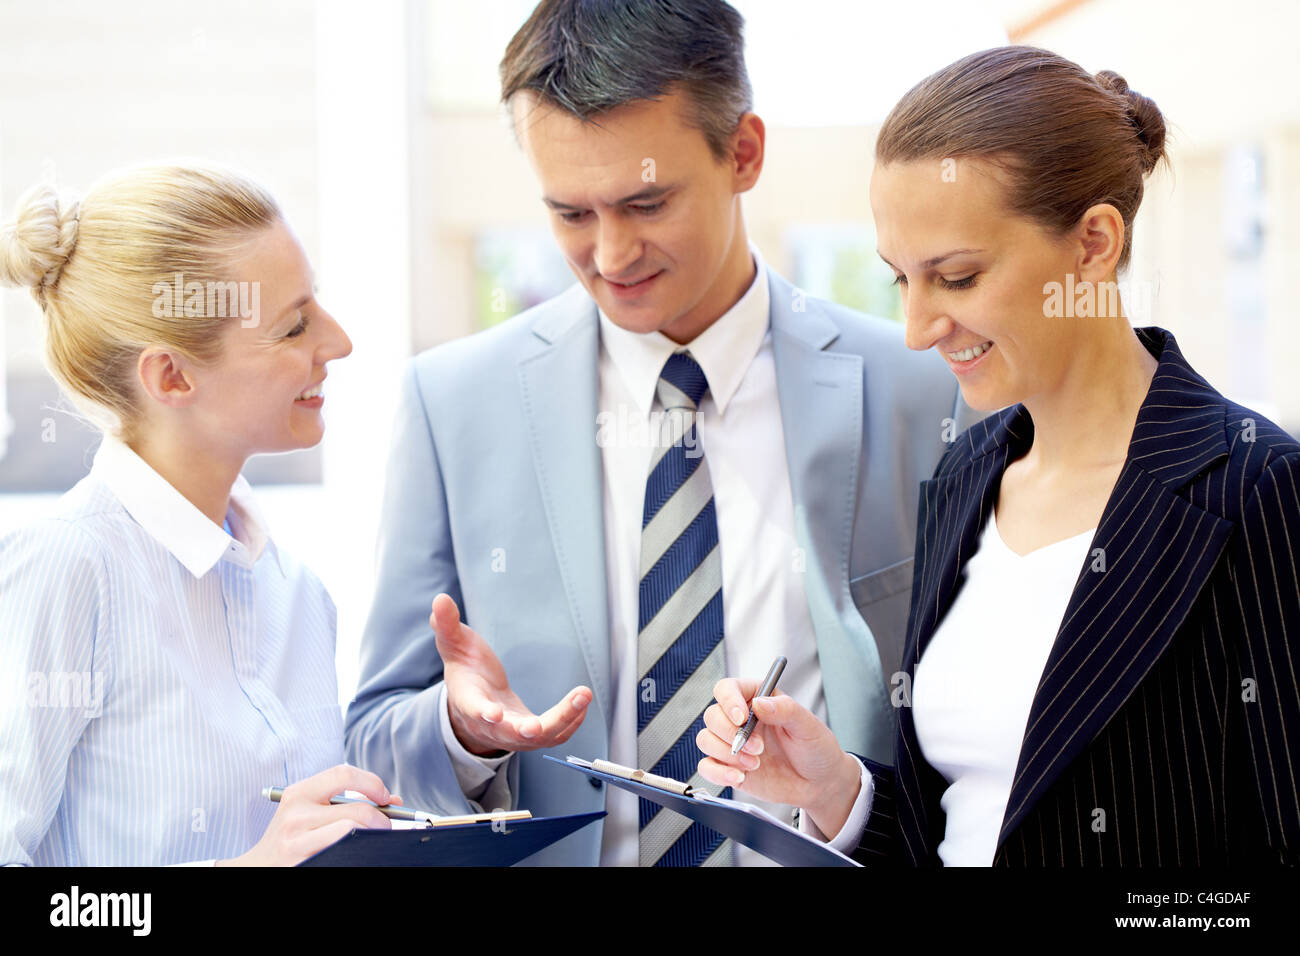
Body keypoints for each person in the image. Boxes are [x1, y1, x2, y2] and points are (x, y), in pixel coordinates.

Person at [345, 0, 973, 867]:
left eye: (646, 202)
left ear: (744, 152)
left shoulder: (921, 390)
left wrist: (851, 803)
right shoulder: (451, 404)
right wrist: (461, 732)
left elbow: (980, 742)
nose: (609, 255)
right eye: (569, 214)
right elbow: (374, 738)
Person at [697, 45, 1300, 866]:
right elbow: (960, 825)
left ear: (1092, 243)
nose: (916, 329)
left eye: (957, 276)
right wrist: (834, 790)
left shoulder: (1256, 488)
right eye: (900, 281)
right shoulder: (966, 474)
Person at [0, 161, 398, 866]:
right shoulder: (66, 568)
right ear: (171, 376)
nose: (338, 343)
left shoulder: (297, 591)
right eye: (293, 327)